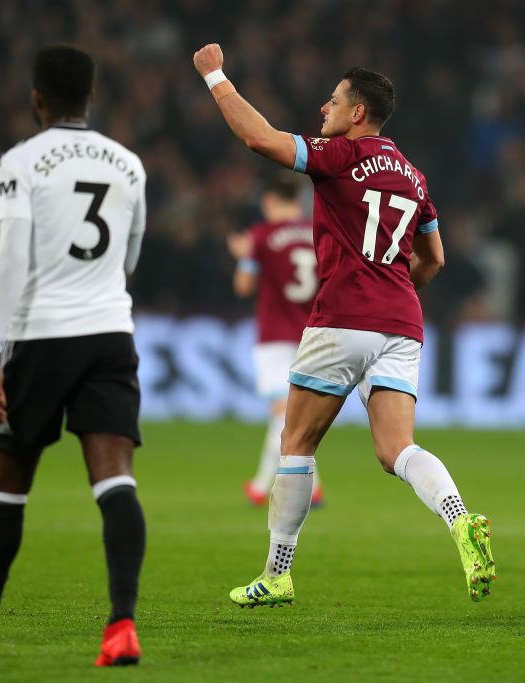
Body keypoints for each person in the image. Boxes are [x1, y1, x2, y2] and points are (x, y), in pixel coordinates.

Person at [192, 43, 495, 606]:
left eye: (332, 101)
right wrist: (394, 289)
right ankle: (458, 518)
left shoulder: (340, 155)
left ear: (358, 113)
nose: (322, 108)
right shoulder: (414, 176)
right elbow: (435, 261)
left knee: (297, 441)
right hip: (402, 321)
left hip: (342, 316)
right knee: (397, 449)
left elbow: (260, 138)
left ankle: (278, 573)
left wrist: (216, 78)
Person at [0, 45, 148, 666]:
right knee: (116, 479)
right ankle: (121, 626)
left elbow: (11, 259)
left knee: (6, 484)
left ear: (37, 99)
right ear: (91, 96)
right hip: (110, 334)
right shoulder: (129, 166)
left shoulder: (20, 162)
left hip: (38, 336)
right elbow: (129, 257)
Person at [226, 175, 325, 507]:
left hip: (274, 338)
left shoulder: (262, 236)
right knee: (297, 415)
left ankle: (261, 486)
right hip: (313, 335)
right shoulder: (317, 232)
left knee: (283, 416)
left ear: (268, 201)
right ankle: (312, 488)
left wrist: (244, 255)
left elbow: (243, 286)